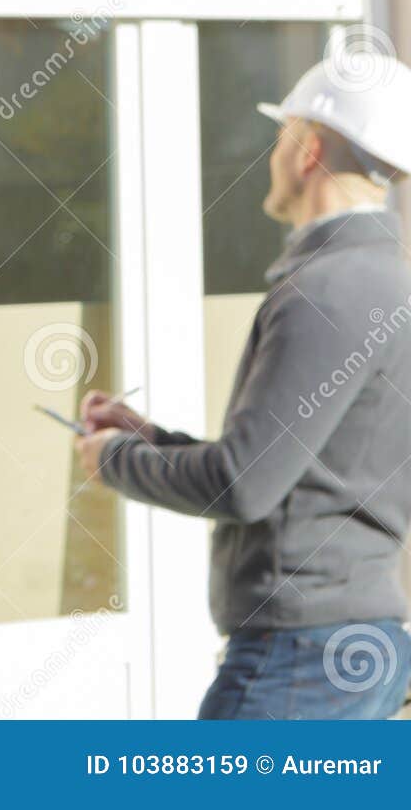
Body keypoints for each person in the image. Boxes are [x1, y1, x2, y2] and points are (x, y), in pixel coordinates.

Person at [78, 46, 411, 719]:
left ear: (309, 148)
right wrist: (152, 437)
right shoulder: (381, 278)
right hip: (345, 644)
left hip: (300, 657)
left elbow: (243, 483)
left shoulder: (328, 290)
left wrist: (115, 459)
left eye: (280, 136)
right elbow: (298, 463)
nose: (271, 155)